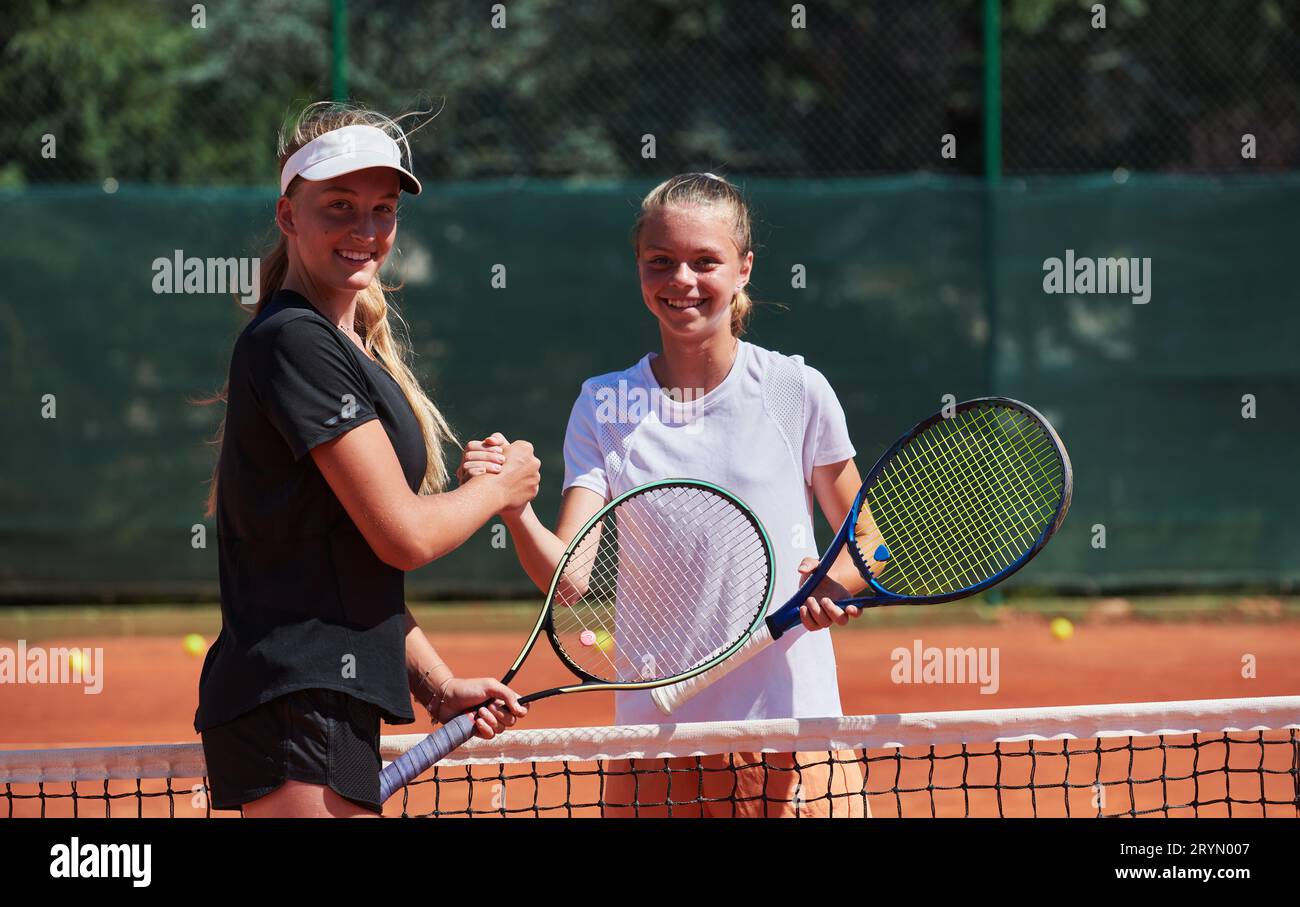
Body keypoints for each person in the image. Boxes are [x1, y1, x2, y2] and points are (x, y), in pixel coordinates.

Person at [459, 173, 875, 816]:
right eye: (661, 262)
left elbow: (866, 544)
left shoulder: (796, 389)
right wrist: (512, 512)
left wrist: (834, 585)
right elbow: (568, 581)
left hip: (797, 731)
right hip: (660, 743)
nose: (682, 279)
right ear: (640, 270)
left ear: (743, 269)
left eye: (705, 261)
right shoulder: (604, 404)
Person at [194, 103, 536, 817]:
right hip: (293, 703)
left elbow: (348, 573)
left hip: (326, 701)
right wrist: (498, 488)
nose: (366, 229)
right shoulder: (294, 340)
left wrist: (438, 686)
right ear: (289, 215)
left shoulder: (345, 350)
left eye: (383, 210)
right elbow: (403, 535)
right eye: (339, 207)